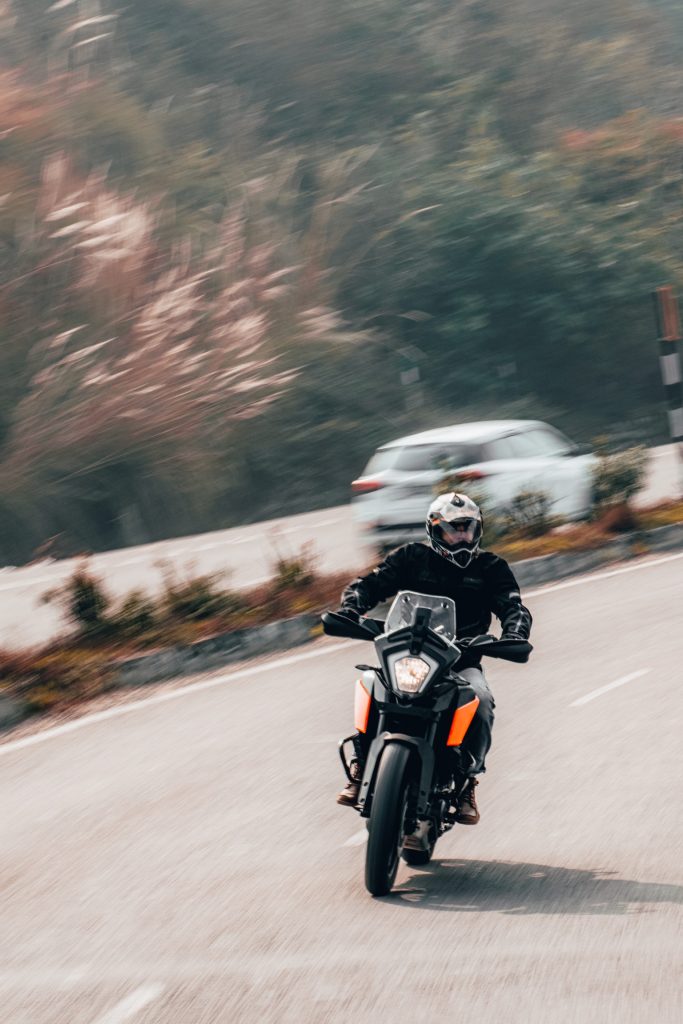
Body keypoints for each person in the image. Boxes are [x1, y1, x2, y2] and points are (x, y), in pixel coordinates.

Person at [335, 491, 532, 823]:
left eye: (467, 528)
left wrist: (514, 634)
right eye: (453, 529)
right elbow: (370, 584)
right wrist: (351, 608)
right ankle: (360, 764)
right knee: (370, 683)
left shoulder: (490, 567)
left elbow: (513, 607)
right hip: (406, 653)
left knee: (480, 700)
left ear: (477, 530)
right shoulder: (411, 558)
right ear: (434, 530)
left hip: (461, 661)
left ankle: (467, 779)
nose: (460, 536)